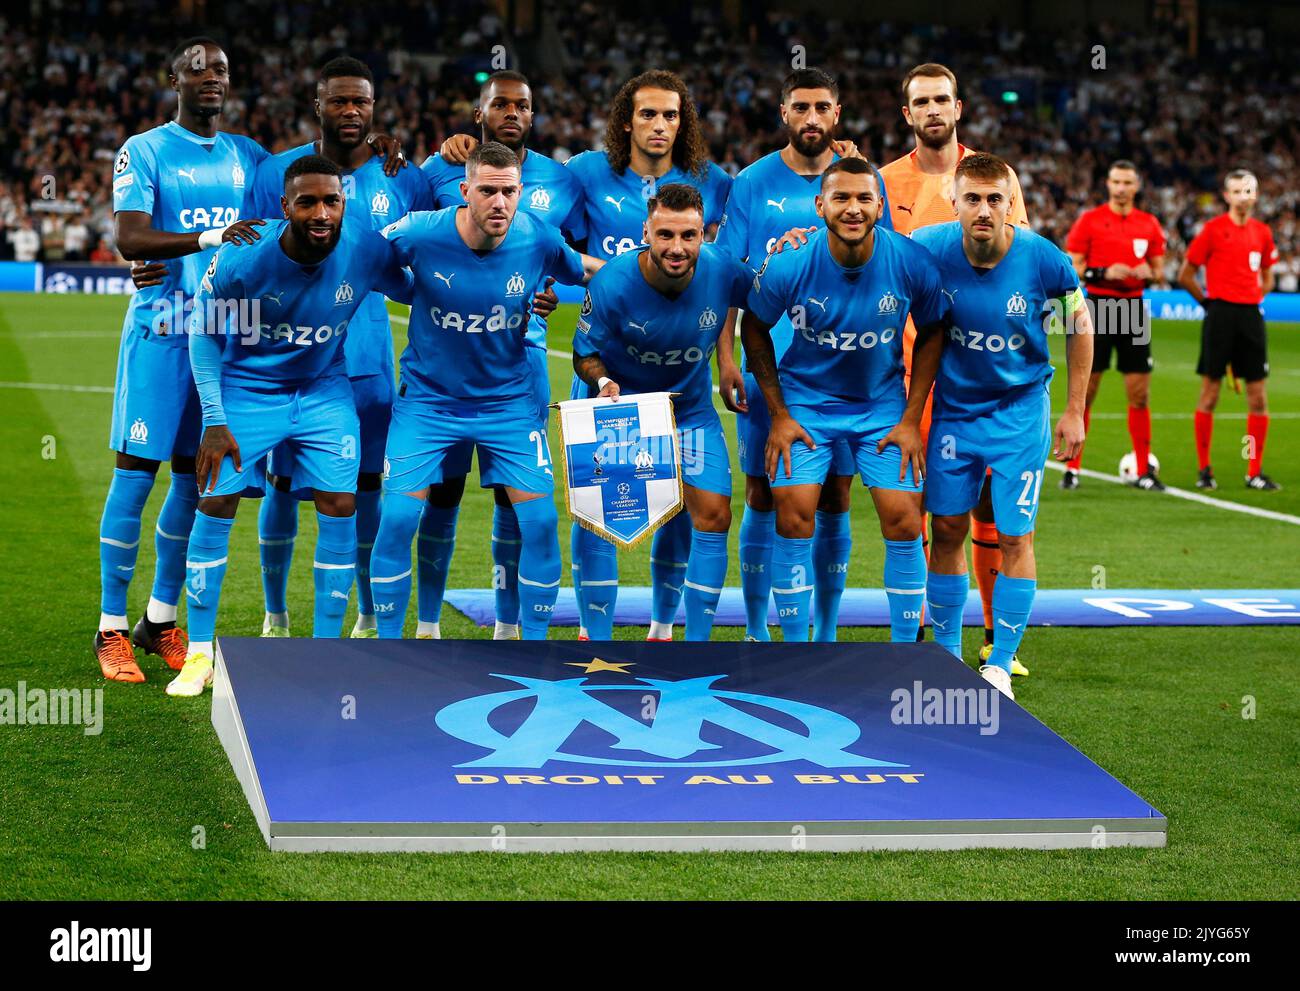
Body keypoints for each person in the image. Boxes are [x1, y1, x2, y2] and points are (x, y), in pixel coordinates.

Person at [171, 155, 414, 697]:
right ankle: (199, 652)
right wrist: (214, 419)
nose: (321, 213)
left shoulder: (365, 246)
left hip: (325, 392)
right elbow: (204, 333)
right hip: (247, 391)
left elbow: (417, 289)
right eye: (307, 202)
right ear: (285, 207)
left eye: (331, 201)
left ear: (343, 204)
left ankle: (323, 653)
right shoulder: (243, 255)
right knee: (215, 500)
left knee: (340, 504)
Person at [367, 142, 602, 639]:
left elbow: (579, 271)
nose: (499, 202)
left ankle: (531, 650)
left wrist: (660, 266)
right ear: (465, 190)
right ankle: (390, 650)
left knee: (539, 522)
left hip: (509, 403)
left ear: (522, 193)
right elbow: (365, 257)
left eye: (510, 192)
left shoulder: (537, 235)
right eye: (489, 191)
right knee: (398, 516)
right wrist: (403, 288)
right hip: (429, 402)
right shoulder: (418, 231)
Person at [242, 55, 435, 640]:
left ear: (375, 108)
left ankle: (369, 613)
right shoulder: (278, 171)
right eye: (338, 101)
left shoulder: (402, 175)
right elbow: (248, 260)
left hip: (367, 357)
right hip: (289, 360)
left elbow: (426, 254)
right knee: (281, 484)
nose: (350, 111)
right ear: (317, 106)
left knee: (366, 487)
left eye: (362, 102)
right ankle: (276, 612)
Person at [95, 37, 268, 683]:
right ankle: (110, 628)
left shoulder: (246, 156)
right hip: (163, 329)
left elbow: (308, 184)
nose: (210, 78)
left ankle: (158, 619)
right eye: (197, 69)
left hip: (223, 334)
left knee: (195, 478)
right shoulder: (142, 150)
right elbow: (129, 235)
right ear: (174, 78)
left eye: (221, 69)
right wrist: (207, 236)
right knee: (135, 472)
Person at [715, 66, 893, 643]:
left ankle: (823, 630)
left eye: (823, 108)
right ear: (784, 114)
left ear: (836, 114)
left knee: (836, 494)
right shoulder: (752, 183)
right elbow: (727, 278)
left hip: (844, 371)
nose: (812, 118)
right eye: (801, 107)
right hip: (770, 366)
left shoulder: (863, 185)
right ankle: (757, 630)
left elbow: (880, 266)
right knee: (764, 492)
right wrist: (725, 359)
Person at [741, 157, 948, 644]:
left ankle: (904, 653)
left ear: (880, 204)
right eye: (841, 198)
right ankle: (796, 653)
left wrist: (910, 418)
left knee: (903, 520)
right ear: (820, 205)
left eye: (862, 198)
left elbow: (935, 329)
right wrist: (779, 414)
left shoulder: (911, 261)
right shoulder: (791, 262)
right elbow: (753, 326)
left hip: (881, 409)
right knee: (793, 516)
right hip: (806, 404)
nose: (852, 208)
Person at [564, 69, 737, 642]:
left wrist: (731, 358)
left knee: (707, 512)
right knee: (600, 519)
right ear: (647, 231)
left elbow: (767, 287)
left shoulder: (718, 244)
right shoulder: (610, 276)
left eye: (671, 115)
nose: (678, 247)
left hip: (688, 408)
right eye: (647, 113)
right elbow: (582, 350)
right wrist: (603, 382)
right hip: (617, 407)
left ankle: (675, 635)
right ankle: (595, 635)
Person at [913, 153, 1093, 700]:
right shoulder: (928, 247)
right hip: (954, 412)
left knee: (1016, 534)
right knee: (945, 529)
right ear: (954, 202)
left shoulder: (1043, 260)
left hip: (1019, 412)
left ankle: (1000, 662)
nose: (985, 209)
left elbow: (1080, 326)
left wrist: (1075, 409)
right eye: (973, 198)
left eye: (996, 199)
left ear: (1011, 203)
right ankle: (945, 654)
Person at [879, 61, 1032, 673]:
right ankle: (927, 632)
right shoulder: (885, 181)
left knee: (994, 506)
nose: (934, 110)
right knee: (923, 506)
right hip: (912, 370)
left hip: (984, 375)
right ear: (908, 113)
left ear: (958, 108)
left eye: (943, 99)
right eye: (923, 102)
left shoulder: (994, 179)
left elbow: (1016, 257)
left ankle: (998, 636)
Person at [418, 69, 579, 640]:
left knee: (517, 500)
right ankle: (428, 624)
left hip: (522, 363)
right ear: (479, 110)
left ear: (533, 115)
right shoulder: (439, 168)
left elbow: (572, 262)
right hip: (445, 370)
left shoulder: (562, 180)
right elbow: (409, 244)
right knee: (443, 491)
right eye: (500, 104)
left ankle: (509, 629)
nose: (512, 113)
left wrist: (558, 291)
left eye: (522, 106)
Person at [1063, 160, 1167, 490]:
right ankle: (1072, 469)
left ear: (1136, 187)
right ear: (1108, 184)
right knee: (1088, 391)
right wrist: (1104, 272)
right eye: (1116, 182)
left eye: (1127, 183)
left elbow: (1160, 270)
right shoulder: (1090, 221)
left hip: (1133, 308)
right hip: (1098, 307)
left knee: (1139, 394)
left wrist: (1146, 273)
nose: (1121, 188)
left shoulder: (1149, 224)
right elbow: (1073, 266)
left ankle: (1144, 470)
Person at [1178, 169, 1281, 491]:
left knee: (1258, 397)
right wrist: (1210, 305)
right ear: (1226, 196)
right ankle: (1204, 469)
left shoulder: (1263, 232)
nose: (1242, 196)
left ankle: (1253, 469)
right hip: (1220, 314)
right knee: (1210, 393)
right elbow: (1186, 274)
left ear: (1256, 195)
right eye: (1236, 191)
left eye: (1248, 190)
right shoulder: (1212, 230)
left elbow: (1268, 276)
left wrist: (1252, 296)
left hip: (1250, 316)